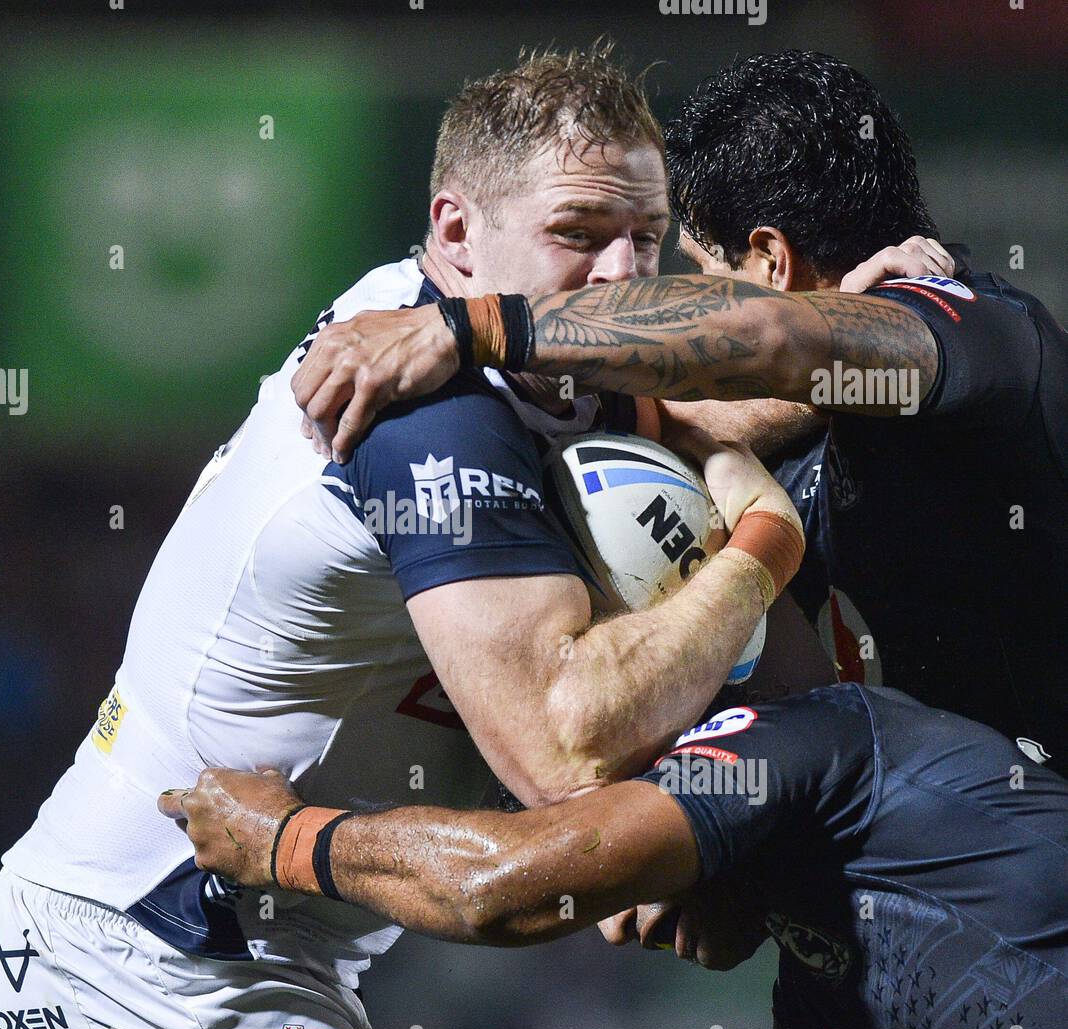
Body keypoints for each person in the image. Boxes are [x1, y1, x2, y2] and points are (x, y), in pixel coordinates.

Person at [0, 45, 805, 1029]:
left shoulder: (513, 347)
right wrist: (763, 545)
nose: (620, 275)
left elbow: (739, 387)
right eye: (578, 234)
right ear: (456, 230)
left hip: (257, 953)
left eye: (646, 238)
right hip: (135, 954)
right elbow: (567, 758)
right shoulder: (423, 415)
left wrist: (882, 314)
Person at [293, 51, 1068, 778]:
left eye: (681, 269)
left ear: (769, 264)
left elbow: (764, 337)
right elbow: (709, 394)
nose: (633, 285)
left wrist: (476, 328)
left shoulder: (979, 334)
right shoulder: (784, 410)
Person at [164, 682, 1068, 1029]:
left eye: (618, 873)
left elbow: (503, 893)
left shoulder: (814, 741)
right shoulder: (824, 971)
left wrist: (283, 842)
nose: (614, 924)